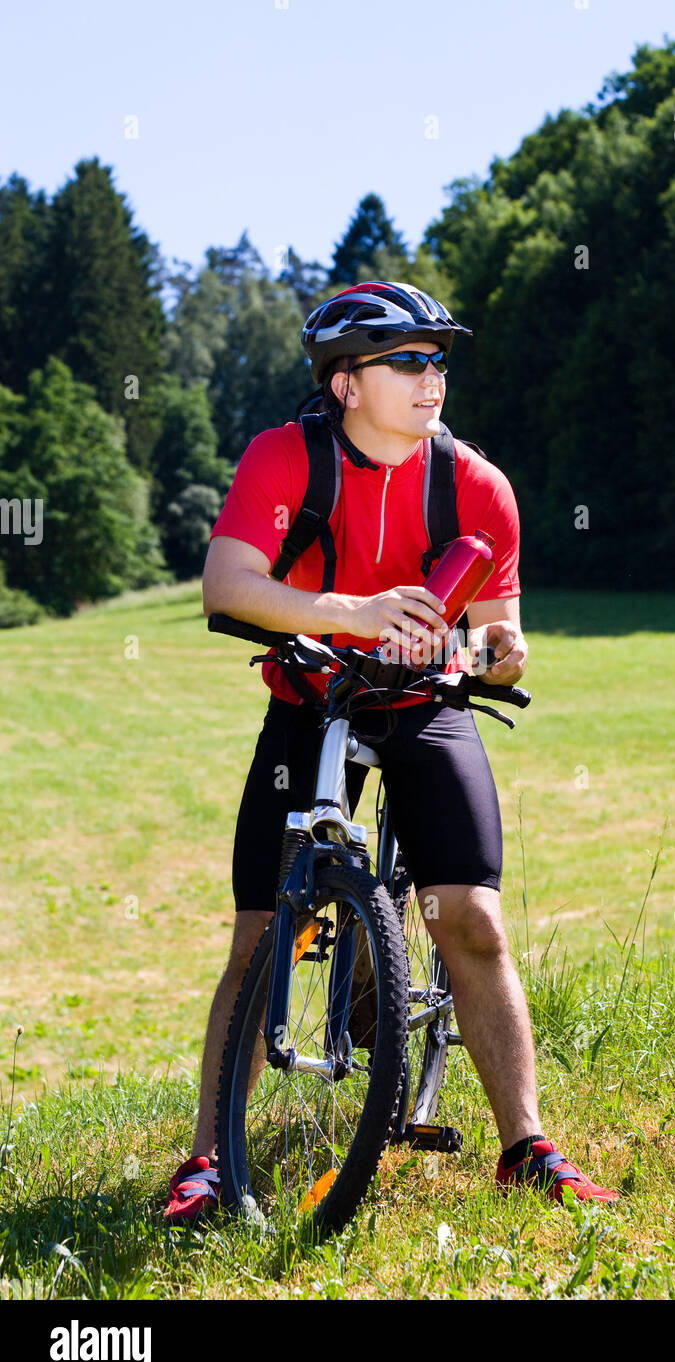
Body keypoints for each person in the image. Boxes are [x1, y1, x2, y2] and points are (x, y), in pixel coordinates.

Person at [163, 281, 619, 1221]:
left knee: (474, 919)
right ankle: (206, 1162)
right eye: (407, 361)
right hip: (311, 695)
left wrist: (501, 652)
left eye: (438, 361)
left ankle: (526, 1145)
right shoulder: (285, 460)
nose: (432, 379)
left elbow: (500, 629)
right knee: (261, 935)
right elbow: (227, 580)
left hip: (424, 703)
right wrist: (351, 614)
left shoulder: (476, 485)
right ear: (344, 383)